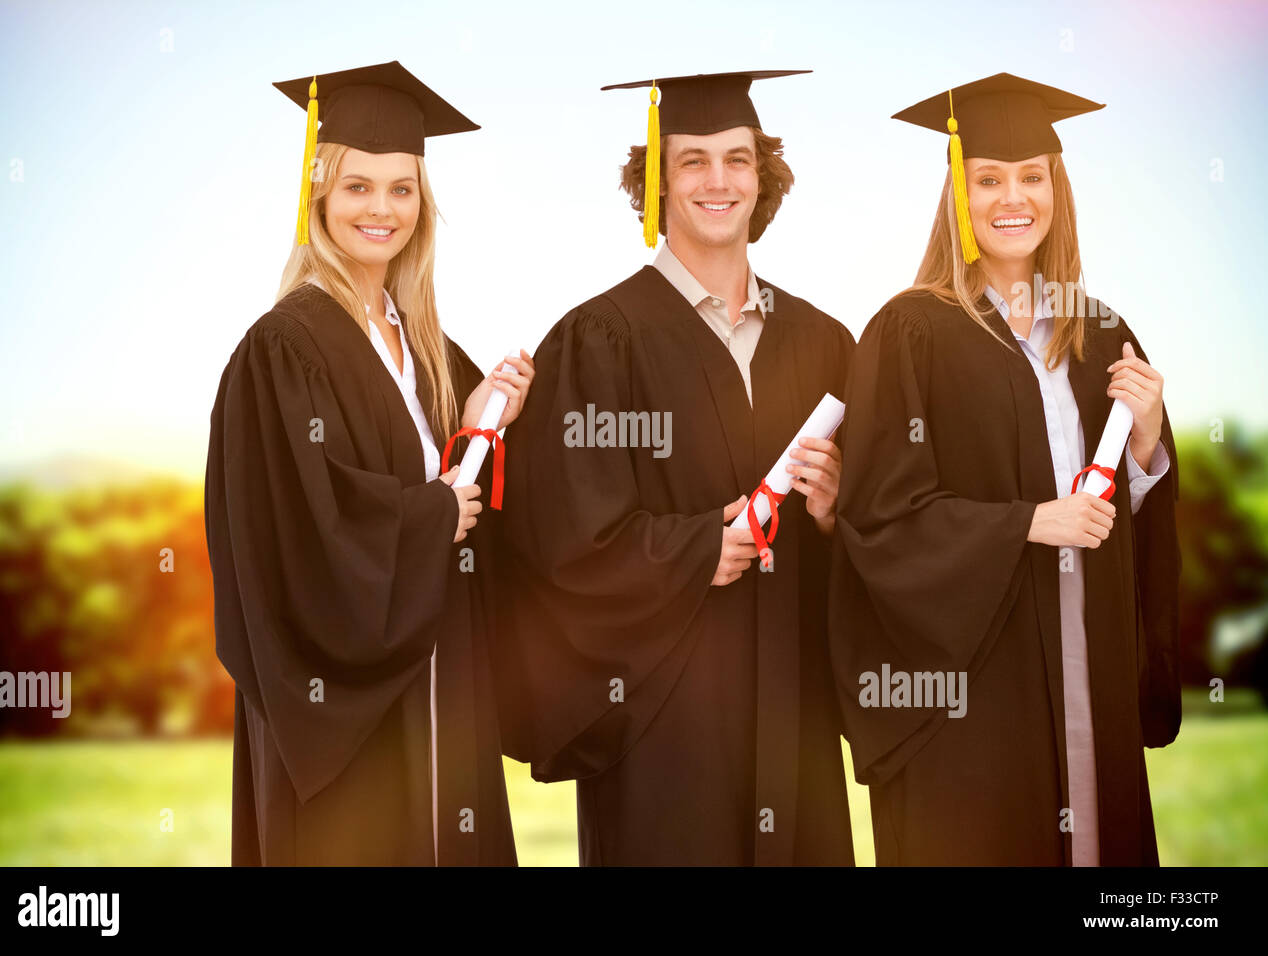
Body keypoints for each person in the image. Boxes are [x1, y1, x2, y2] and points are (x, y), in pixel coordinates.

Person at [496, 70, 856, 865]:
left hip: (793, 722)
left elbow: (878, 545)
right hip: (662, 731)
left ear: (764, 178)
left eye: (737, 159)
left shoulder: (825, 342)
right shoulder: (598, 340)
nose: (718, 181)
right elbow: (561, 542)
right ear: (655, 183)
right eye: (692, 161)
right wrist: (698, 548)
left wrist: (835, 514)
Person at [829, 73, 1181, 865]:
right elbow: (879, 518)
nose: (1011, 197)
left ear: (1057, 189)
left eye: (1032, 177)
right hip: (977, 693)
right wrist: (1026, 521)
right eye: (987, 179)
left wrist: (1149, 442)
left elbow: (1140, 506)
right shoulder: (909, 331)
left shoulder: (1099, 329)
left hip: (1091, 660)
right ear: (958, 194)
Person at [204, 60, 533, 865]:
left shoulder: (428, 348)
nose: (380, 209)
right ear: (318, 197)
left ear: (423, 207)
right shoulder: (284, 348)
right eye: (357, 187)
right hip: (345, 711)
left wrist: (483, 418)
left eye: (401, 189)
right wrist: (433, 516)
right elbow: (301, 533)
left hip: (441, 679)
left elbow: (464, 490)